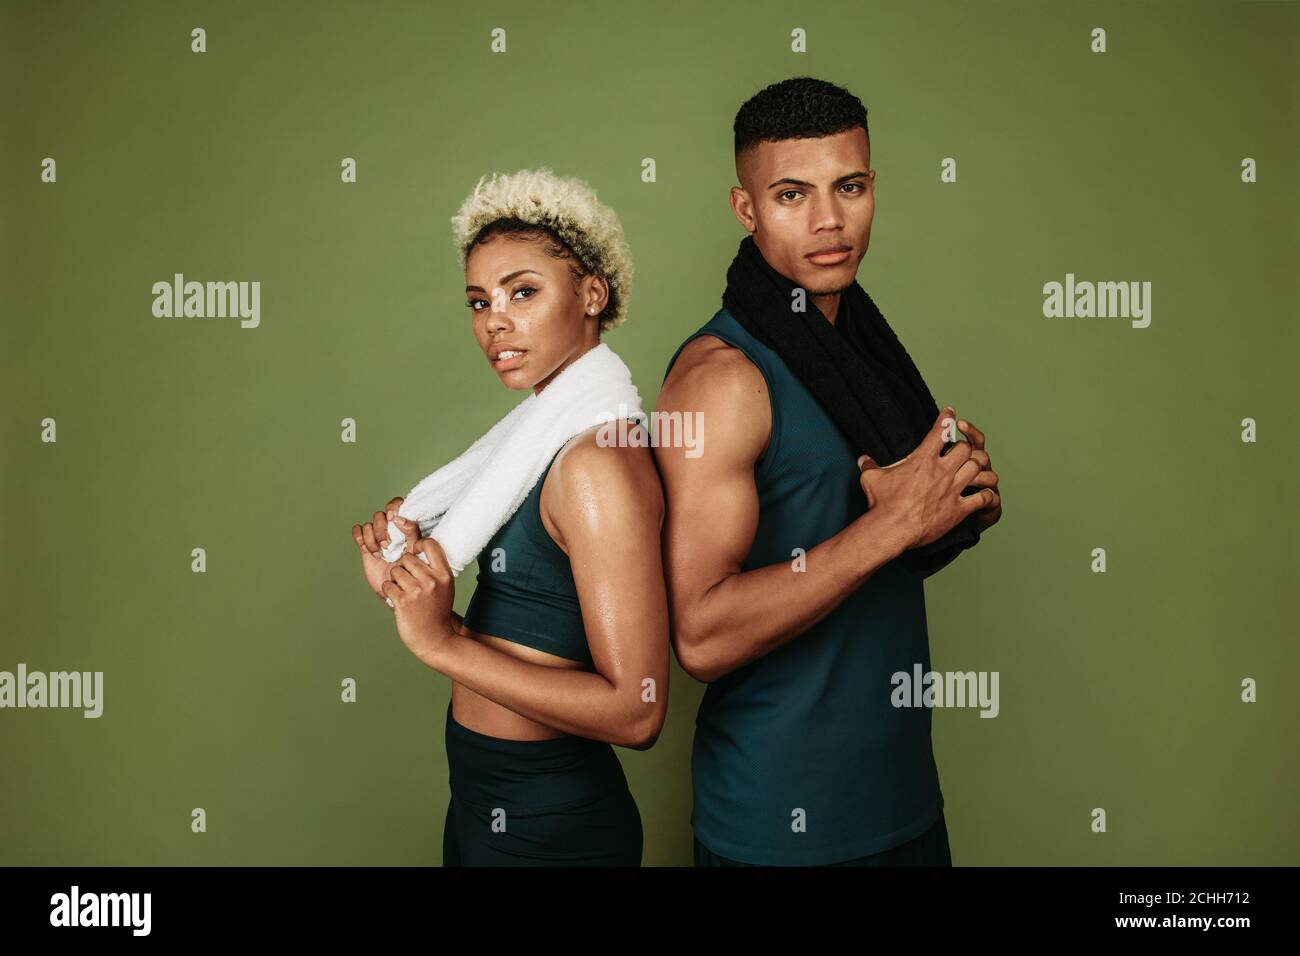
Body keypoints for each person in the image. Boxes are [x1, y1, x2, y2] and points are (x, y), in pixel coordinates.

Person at [654, 77, 1003, 867]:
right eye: (790, 194)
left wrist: (956, 495)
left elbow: (900, 525)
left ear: (872, 186)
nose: (827, 221)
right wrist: (890, 526)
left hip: (903, 800)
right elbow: (700, 636)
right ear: (746, 210)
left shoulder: (858, 356)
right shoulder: (722, 381)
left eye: (848, 187)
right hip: (781, 822)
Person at [351, 168, 669, 866]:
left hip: (547, 822)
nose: (495, 320)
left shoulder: (594, 466)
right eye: (479, 300)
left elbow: (637, 710)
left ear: (592, 293)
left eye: (523, 291)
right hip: (481, 795)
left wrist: (441, 644)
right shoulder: (531, 447)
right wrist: (416, 592)